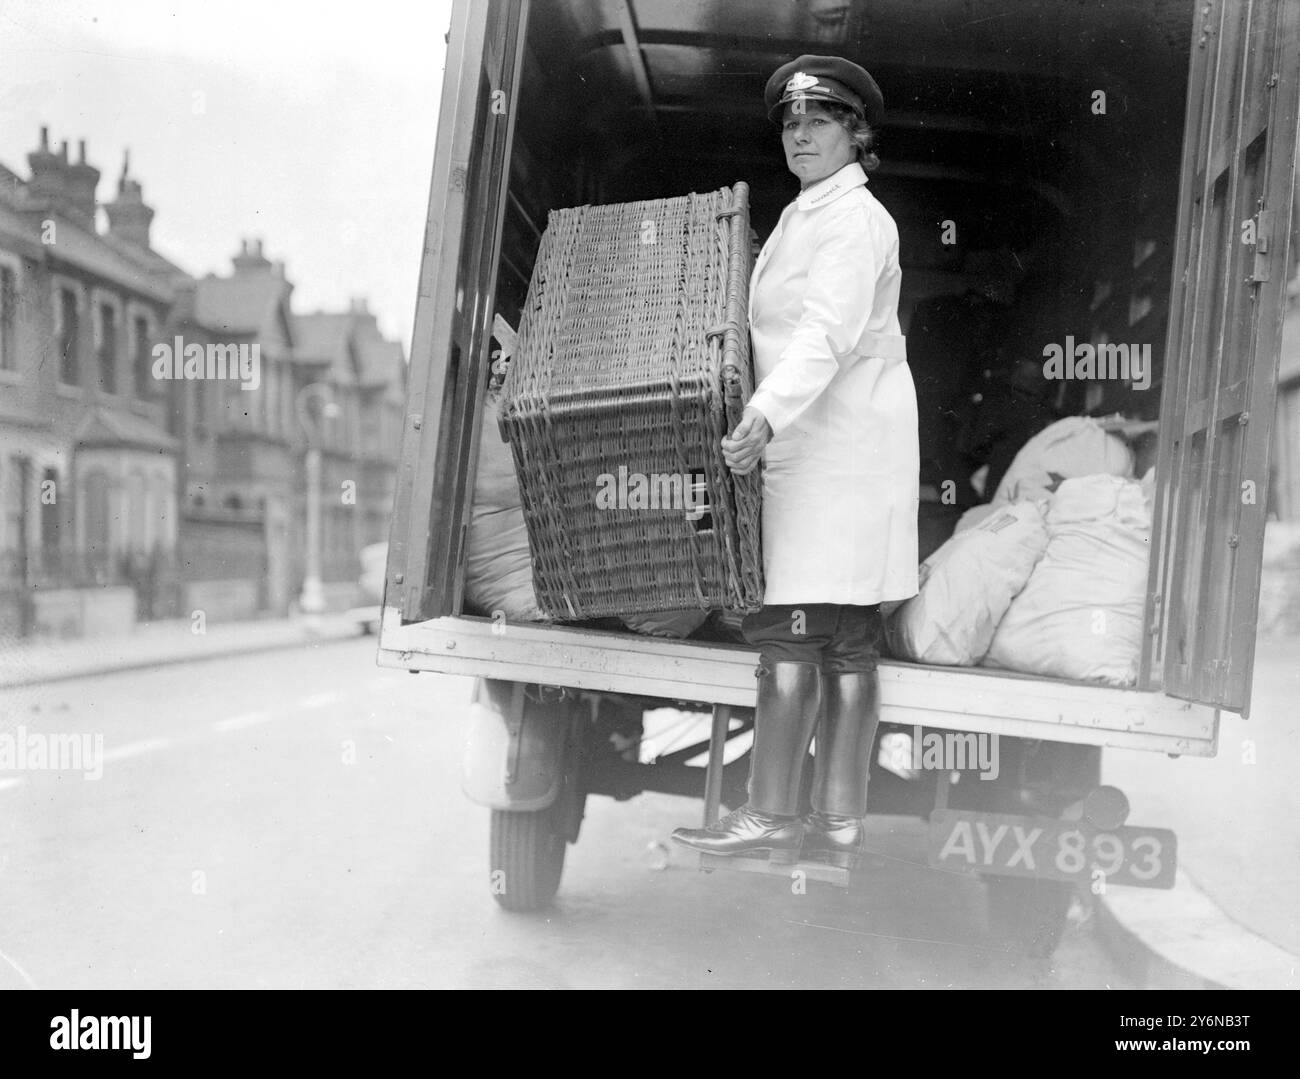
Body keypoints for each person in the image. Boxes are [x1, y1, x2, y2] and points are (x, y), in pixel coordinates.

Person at [671, 55, 919, 868]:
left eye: (819, 121)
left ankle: (772, 814)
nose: (800, 134)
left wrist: (763, 415)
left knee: (791, 626)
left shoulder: (852, 221)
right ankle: (837, 820)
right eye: (790, 122)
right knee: (845, 633)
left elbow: (826, 335)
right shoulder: (810, 213)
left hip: (832, 450)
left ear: (859, 134)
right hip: (839, 449)